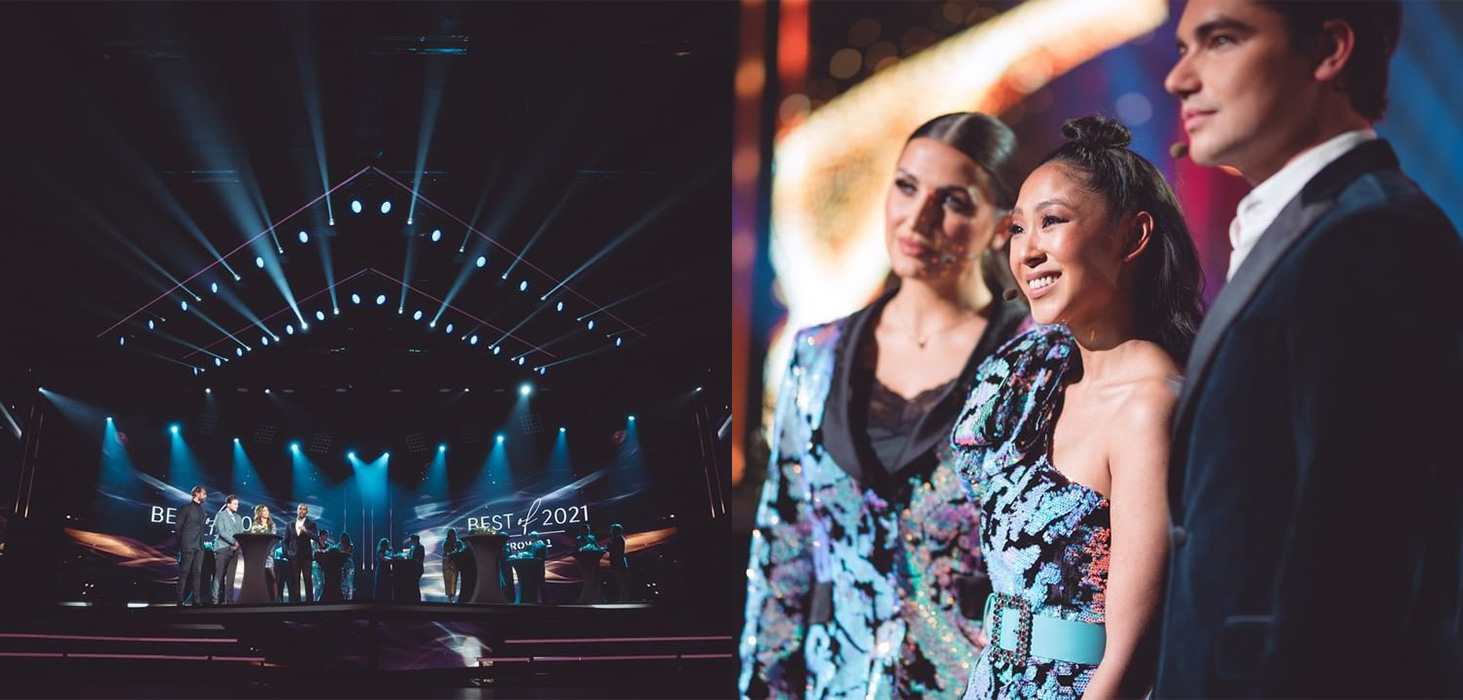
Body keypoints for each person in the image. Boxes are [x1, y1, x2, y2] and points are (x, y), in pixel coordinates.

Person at [1158, 1, 1463, 696]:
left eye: (1220, 40)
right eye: (1180, 47)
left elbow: (1360, 556)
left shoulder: (1373, 235)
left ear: (1327, 50)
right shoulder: (1309, 228)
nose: (1178, 78)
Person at [742, 112, 1031, 699]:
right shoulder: (815, 356)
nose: (917, 218)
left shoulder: (1032, 363)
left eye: (952, 200)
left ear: (1002, 227)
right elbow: (785, 545)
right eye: (905, 186)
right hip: (835, 684)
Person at [950, 115, 1202, 699]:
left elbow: (1131, 655)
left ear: (1133, 236)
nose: (1028, 250)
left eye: (1052, 222)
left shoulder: (1148, 405)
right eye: (1017, 229)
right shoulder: (1040, 386)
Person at [175, 485, 208, 606]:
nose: (205, 496)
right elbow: (178, 526)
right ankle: (179, 599)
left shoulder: (203, 510)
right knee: (184, 572)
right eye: (204, 493)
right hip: (188, 544)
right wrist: (182, 543)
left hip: (199, 545)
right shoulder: (187, 508)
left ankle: (196, 600)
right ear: (197, 494)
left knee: (197, 573)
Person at [211, 494, 245, 605]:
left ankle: (229, 601)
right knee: (219, 576)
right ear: (228, 504)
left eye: (237, 504)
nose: (237, 506)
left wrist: (237, 544)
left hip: (235, 550)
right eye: (235, 504)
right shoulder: (220, 515)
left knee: (231, 577)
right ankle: (215, 600)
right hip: (223, 548)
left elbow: (241, 533)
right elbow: (221, 531)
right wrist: (233, 542)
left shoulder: (238, 517)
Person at [281, 502, 318, 602]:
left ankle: (309, 603)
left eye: (303, 509)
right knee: (295, 580)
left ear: (306, 511)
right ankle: (296, 603)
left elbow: (315, 537)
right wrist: (287, 553)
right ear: (297, 510)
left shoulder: (311, 523)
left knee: (307, 580)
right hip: (294, 556)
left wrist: (305, 530)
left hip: (306, 556)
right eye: (300, 509)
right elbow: (285, 541)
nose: (301, 510)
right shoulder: (290, 524)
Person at [252, 504, 278, 602]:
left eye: (267, 510)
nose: (266, 512)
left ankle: (275, 600)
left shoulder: (272, 524)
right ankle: (260, 599)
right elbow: (254, 538)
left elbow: (273, 538)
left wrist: (268, 551)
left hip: (269, 554)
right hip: (259, 554)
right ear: (260, 512)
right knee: (260, 578)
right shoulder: (256, 524)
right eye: (264, 511)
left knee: (273, 578)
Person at [606, 523, 629, 602]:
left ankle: (624, 597)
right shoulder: (618, 538)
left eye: (612, 530)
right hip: (618, 561)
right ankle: (623, 596)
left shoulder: (618, 539)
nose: (610, 531)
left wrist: (609, 545)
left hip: (618, 562)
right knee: (620, 580)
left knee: (621, 580)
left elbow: (614, 550)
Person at [442, 528, 464, 603]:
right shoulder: (446, 543)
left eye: (453, 534)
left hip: (455, 564)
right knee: (448, 580)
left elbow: (461, 551)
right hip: (447, 564)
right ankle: (450, 596)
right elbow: (445, 553)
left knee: (454, 580)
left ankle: (453, 595)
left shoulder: (458, 543)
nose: (452, 536)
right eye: (451, 534)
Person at [312, 529, 331, 601]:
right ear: (322, 535)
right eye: (326, 535)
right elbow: (313, 553)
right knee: (319, 583)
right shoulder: (314, 543)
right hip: (315, 565)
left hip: (324, 566)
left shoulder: (327, 545)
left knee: (323, 583)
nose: (327, 537)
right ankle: (315, 600)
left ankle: (320, 600)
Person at [373, 537, 394, 602]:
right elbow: (384, 558)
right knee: (380, 587)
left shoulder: (387, 551)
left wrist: (392, 551)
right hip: (381, 572)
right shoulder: (380, 551)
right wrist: (392, 559)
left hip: (386, 571)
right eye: (388, 544)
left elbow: (391, 556)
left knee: (386, 587)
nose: (389, 545)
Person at [338, 532, 355, 601]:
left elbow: (348, 554)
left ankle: (348, 599)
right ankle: (345, 599)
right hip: (343, 566)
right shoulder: (339, 545)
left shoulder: (350, 546)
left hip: (348, 566)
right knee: (345, 583)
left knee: (348, 583)